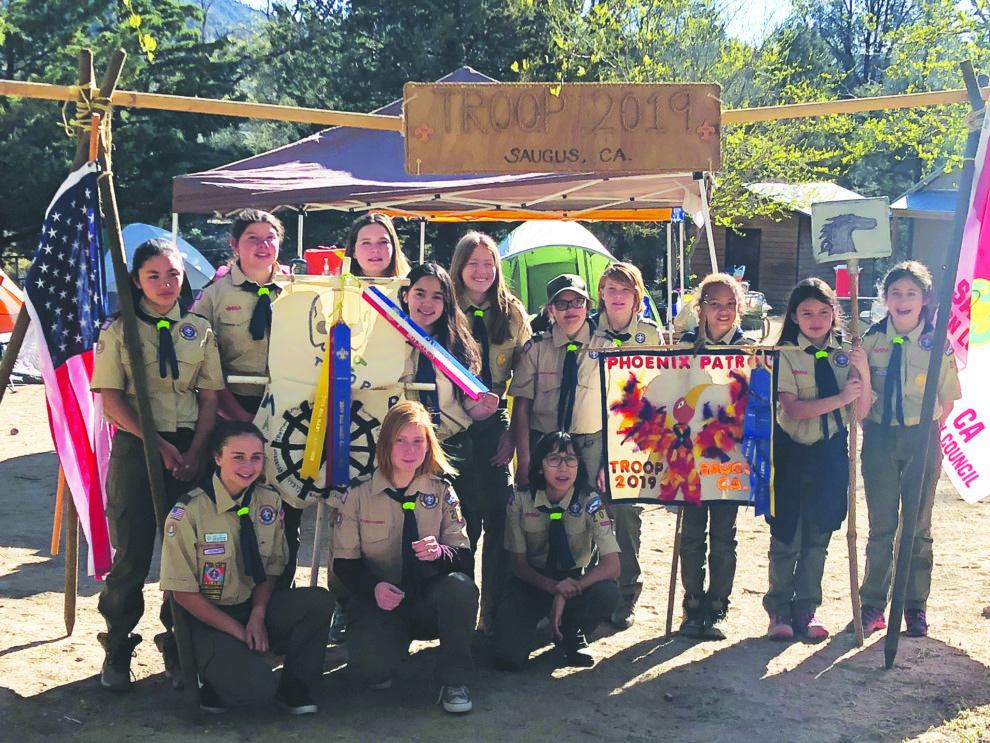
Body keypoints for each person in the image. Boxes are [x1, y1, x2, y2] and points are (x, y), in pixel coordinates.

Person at [90, 238, 224, 691]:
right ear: (136, 280)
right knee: (131, 555)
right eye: (154, 276)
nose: (166, 284)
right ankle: (117, 645)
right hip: (138, 447)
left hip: (190, 449)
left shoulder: (199, 329)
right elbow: (111, 400)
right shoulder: (119, 331)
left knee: (185, 553)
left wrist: (196, 452)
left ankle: (178, 642)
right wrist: (160, 447)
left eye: (173, 274)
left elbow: (210, 398)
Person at [160, 421, 334, 714]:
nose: (248, 466)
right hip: (207, 620)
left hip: (250, 607)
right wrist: (241, 633)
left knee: (317, 601)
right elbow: (183, 594)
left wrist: (257, 615)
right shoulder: (188, 512)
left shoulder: (268, 501)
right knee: (255, 691)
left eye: (256, 457)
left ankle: (294, 686)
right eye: (238, 457)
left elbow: (270, 567)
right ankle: (203, 670)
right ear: (217, 457)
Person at [332, 400, 479, 713]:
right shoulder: (358, 494)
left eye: (418, 441)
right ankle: (389, 648)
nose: (410, 450)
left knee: (460, 587)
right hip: (380, 601)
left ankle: (454, 680)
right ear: (386, 443)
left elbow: (465, 561)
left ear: (428, 446)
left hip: (428, 601)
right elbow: (344, 564)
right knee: (372, 672)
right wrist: (374, 588)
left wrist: (440, 553)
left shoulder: (442, 492)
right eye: (400, 440)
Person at [192, 210, 304, 593]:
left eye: (270, 238)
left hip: (291, 412)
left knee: (286, 509)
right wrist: (238, 416)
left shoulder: (298, 289)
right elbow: (202, 361)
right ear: (234, 245)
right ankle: (226, 598)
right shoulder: (214, 295)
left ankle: (279, 601)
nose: (262, 245)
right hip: (233, 408)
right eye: (252, 238)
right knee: (231, 503)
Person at [763, 278, 872, 641]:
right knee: (786, 535)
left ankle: (807, 608)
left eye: (824, 312)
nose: (816, 320)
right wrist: (841, 398)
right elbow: (793, 409)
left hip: (830, 452)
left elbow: (860, 413)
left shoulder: (846, 353)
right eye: (807, 313)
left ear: (834, 314)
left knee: (818, 536)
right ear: (794, 316)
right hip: (790, 453)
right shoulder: (785, 353)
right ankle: (779, 609)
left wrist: (863, 371)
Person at [858, 261, 961, 637]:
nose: (903, 301)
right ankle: (873, 604)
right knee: (881, 527)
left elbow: (947, 400)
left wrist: (925, 431)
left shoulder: (937, 343)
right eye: (896, 293)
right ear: (885, 298)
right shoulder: (870, 341)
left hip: (922, 437)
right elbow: (861, 399)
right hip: (880, 437)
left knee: (917, 527)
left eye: (911, 294)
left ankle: (915, 606)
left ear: (925, 299)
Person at [450, 231, 531, 634]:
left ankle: (492, 615)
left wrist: (512, 435)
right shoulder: (444, 308)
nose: (482, 271)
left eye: (489, 264)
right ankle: (459, 609)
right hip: (451, 422)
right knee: (461, 518)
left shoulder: (512, 314)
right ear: (459, 267)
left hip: (494, 422)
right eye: (473, 263)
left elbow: (525, 382)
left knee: (500, 516)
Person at [492, 431, 620, 670]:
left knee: (607, 593)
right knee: (507, 658)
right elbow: (518, 566)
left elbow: (612, 565)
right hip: (531, 582)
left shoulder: (589, 500)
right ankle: (533, 628)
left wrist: (568, 590)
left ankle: (570, 630)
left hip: (573, 582)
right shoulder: (520, 500)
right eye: (554, 459)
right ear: (540, 466)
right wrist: (552, 587)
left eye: (570, 459)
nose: (563, 468)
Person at [399, 263, 500, 553]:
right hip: (404, 447)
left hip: (452, 446)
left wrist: (484, 408)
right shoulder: (390, 343)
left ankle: (460, 577)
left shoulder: (458, 345)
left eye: (437, 296)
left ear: (448, 302)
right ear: (405, 295)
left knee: (464, 522)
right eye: (420, 293)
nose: (427, 303)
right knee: (409, 522)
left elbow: (468, 407)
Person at [589, 262, 663, 630]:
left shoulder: (650, 334)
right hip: (590, 430)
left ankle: (627, 590)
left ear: (637, 297)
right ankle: (593, 591)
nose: (618, 297)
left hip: (632, 435)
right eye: (611, 289)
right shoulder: (587, 330)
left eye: (626, 290)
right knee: (592, 510)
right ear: (601, 294)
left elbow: (659, 388)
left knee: (628, 513)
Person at [676, 273, 748, 640]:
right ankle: (692, 603)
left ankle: (718, 604)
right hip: (690, 455)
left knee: (723, 535)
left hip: (729, 456)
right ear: (700, 308)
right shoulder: (685, 346)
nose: (722, 311)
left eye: (730, 304)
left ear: (740, 309)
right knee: (691, 533)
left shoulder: (749, 350)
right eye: (714, 303)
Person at [509, 274, 602, 486]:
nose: (571, 309)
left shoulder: (606, 348)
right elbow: (522, 407)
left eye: (577, 302)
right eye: (562, 304)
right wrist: (524, 461)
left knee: (590, 501)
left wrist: (609, 461)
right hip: (545, 443)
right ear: (551, 310)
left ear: (587, 307)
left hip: (590, 447)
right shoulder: (536, 348)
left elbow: (618, 410)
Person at [343, 213, 411, 278]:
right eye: (366, 243)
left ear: (393, 247)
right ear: (353, 251)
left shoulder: (411, 285)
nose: (375, 249)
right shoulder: (338, 286)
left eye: (383, 242)